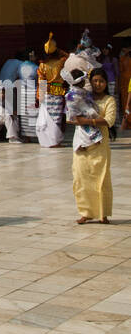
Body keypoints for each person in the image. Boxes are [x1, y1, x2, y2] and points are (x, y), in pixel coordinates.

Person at [69, 67, 115, 224]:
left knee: (100, 180)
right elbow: (71, 117)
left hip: (99, 144)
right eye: (95, 81)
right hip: (81, 142)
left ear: (106, 83)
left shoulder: (109, 100)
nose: (98, 84)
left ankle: (103, 214)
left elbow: (109, 120)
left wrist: (89, 121)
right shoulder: (83, 97)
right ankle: (85, 213)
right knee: (81, 179)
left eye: (101, 81)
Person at [36, 34, 67, 148]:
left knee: (49, 118)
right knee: (57, 118)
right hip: (58, 91)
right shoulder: (61, 61)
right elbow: (68, 57)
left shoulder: (42, 65)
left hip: (47, 93)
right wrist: (59, 51)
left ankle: (50, 140)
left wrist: (40, 97)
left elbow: (41, 81)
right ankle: (56, 142)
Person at [18, 49, 40, 142]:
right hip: (32, 92)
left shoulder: (20, 66)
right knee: (34, 115)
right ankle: (38, 136)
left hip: (22, 92)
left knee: (24, 117)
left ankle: (27, 137)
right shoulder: (35, 67)